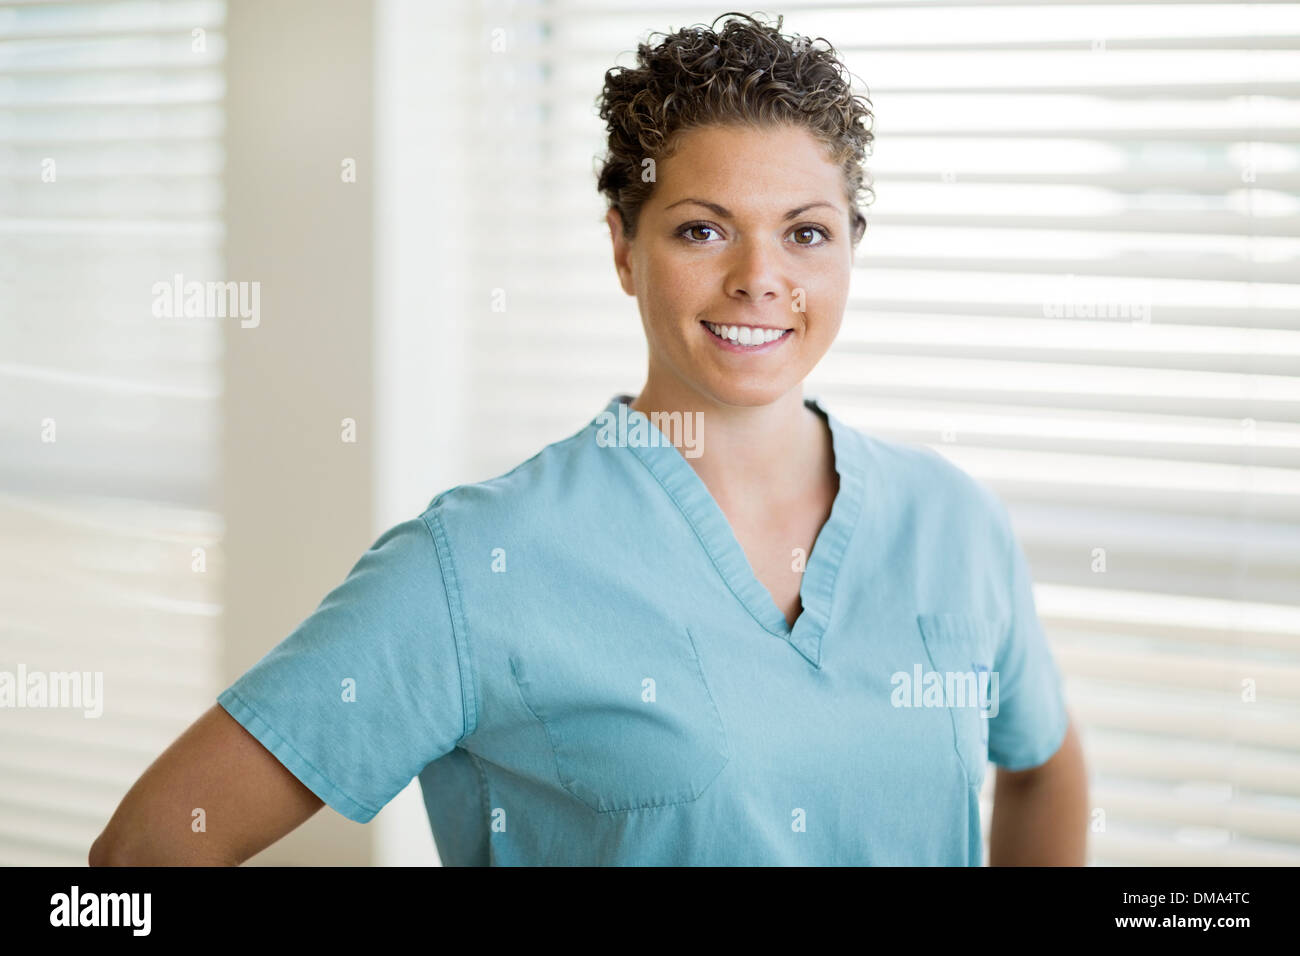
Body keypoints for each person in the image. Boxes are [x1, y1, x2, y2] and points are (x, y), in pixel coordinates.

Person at [90, 12, 1087, 867]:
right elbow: (144, 852)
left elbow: (1041, 767)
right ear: (622, 246)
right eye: (701, 228)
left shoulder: (951, 523)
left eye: (805, 231)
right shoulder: (480, 565)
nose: (759, 276)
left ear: (849, 250)